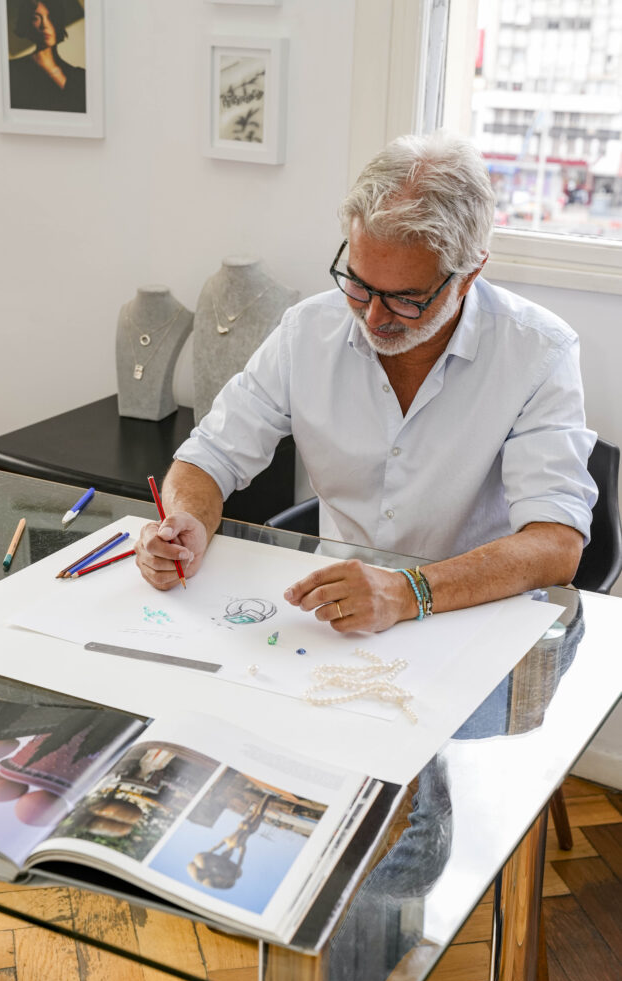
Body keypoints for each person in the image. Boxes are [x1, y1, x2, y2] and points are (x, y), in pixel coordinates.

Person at [136, 132, 596, 628]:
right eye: (358, 282)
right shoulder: (308, 330)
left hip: (473, 615)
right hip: (334, 615)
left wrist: (407, 592)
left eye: (406, 298)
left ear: (470, 273)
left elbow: (555, 543)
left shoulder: (537, 352)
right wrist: (186, 520)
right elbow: (211, 455)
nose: (374, 317)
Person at [9, 0, 86, 114]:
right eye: (36, 18)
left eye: (50, 16)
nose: (44, 25)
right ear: (26, 24)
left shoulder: (81, 77)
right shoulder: (11, 70)